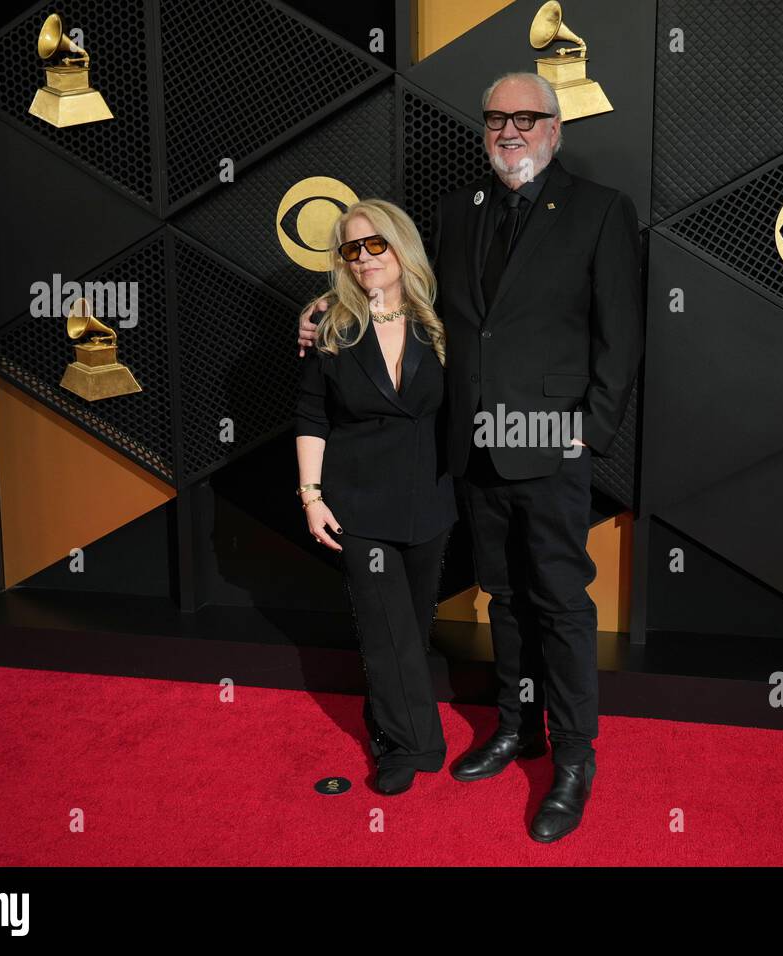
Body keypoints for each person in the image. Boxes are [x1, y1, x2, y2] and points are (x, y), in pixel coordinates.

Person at [300, 72, 643, 842]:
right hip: (476, 449)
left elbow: (621, 337)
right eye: (496, 119)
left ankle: (576, 759)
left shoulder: (599, 211)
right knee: (505, 599)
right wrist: (326, 304)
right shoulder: (461, 211)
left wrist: (589, 431)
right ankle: (519, 729)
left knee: (559, 602)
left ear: (556, 128)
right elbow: (405, 289)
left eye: (527, 118)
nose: (510, 131)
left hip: (552, 446)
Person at [295, 198, 457, 797]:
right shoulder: (333, 326)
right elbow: (311, 415)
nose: (363, 260)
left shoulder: (441, 320)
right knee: (384, 627)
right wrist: (311, 495)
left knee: (408, 628)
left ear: (399, 245)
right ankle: (410, 744)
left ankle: (383, 720)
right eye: (350, 251)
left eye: (374, 245)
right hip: (357, 504)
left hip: (429, 502)